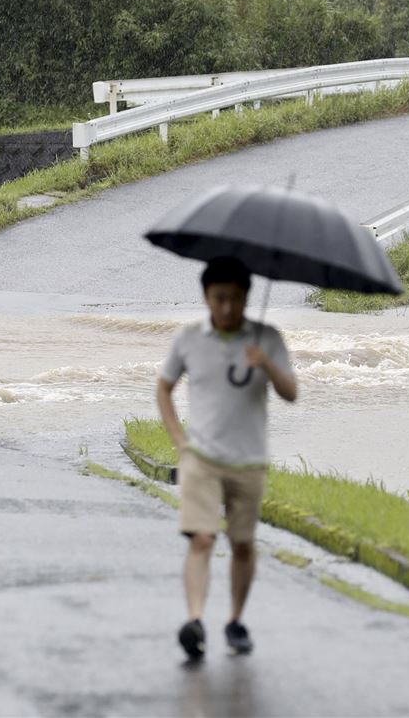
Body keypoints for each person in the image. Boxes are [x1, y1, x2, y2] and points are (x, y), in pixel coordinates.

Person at [156, 256, 297, 662]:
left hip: (249, 461)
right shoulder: (188, 339)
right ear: (206, 297)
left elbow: (291, 393)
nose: (228, 307)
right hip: (201, 458)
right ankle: (195, 621)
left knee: (242, 545)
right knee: (201, 538)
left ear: (247, 297)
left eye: (236, 298)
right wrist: (180, 441)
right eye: (219, 298)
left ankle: (235, 620)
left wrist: (265, 364)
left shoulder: (267, 337)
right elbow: (163, 389)